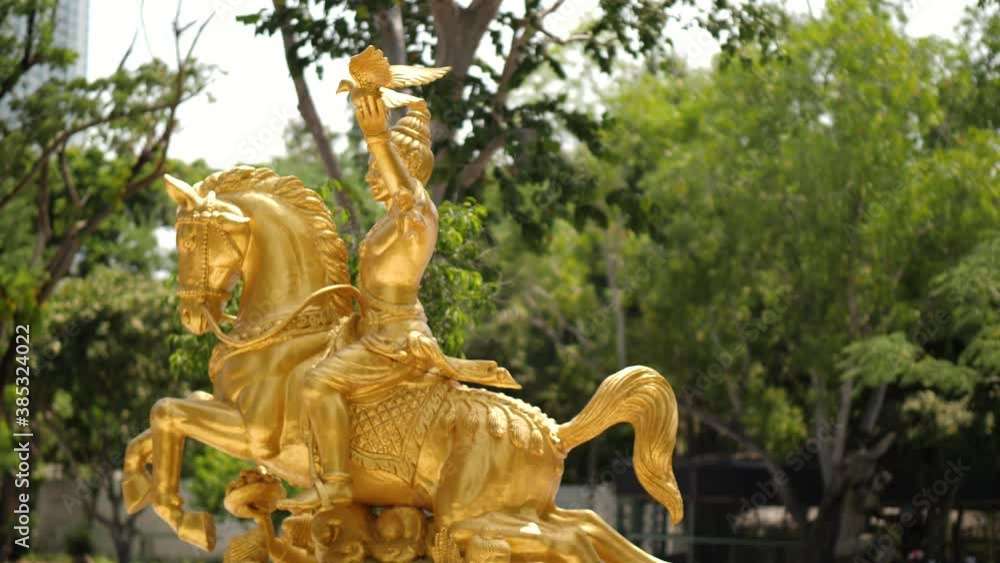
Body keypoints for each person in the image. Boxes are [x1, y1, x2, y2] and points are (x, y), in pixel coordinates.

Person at [280, 94, 518, 511]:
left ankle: (335, 484)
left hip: (395, 340)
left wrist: (378, 138)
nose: (373, 175)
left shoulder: (418, 216)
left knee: (318, 385)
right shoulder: (385, 222)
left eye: (380, 167)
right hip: (369, 331)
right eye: (373, 166)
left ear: (404, 169)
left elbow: (405, 193)